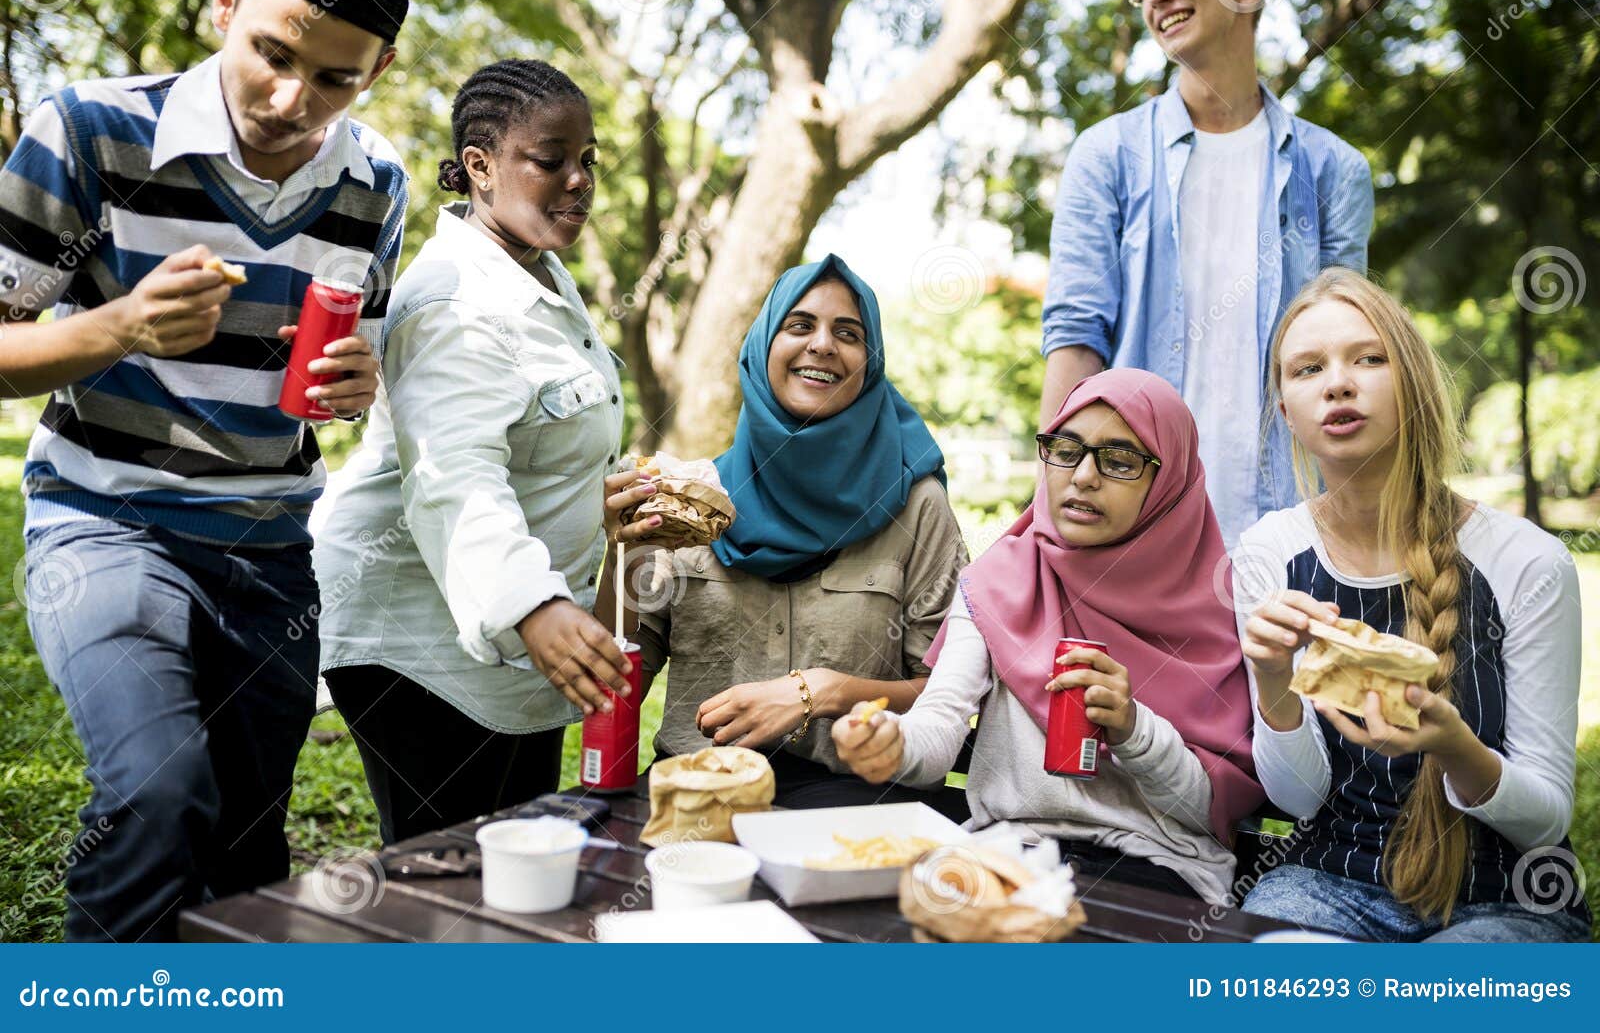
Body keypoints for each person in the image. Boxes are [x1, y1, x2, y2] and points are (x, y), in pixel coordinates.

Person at [0, 0, 421, 940]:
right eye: (272, 52)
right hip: (105, 520)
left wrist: (354, 385)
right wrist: (121, 327)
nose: (291, 98)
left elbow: (337, 366)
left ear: (378, 69)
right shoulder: (91, 132)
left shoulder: (375, 186)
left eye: (335, 76)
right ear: (224, 3)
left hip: (270, 547)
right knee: (154, 789)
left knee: (246, 840)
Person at [315, 60, 661, 844]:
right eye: (551, 159)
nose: (579, 180)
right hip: (421, 648)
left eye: (589, 160)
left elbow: (532, 444)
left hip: (515, 646)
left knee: (519, 861)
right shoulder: (454, 303)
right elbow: (453, 478)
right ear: (479, 165)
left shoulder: (536, 271)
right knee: (452, 877)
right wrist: (533, 607)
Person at [1236, 268, 1590, 942]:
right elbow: (1299, 798)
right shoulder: (1270, 553)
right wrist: (1272, 679)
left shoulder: (1528, 561)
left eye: (1369, 359)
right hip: (1332, 880)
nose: (1338, 382)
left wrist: (1455, 746)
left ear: (1416, 385)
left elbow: (1544, 819)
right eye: (1307, 369)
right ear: (1286, 408)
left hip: (1505, 895)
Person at [834, 369, 1262, 903]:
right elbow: (939, 723)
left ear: (1169, 483)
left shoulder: (1220, 610)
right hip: (1009, 860)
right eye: (1066, 449)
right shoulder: (1000, 581)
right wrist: (891, 743)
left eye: (1120, 459)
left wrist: (1132, 727)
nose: (1083, 475)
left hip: (1158, 872)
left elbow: (1207, 809)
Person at [1041, 0, 1374, 549]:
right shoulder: (1108, 155)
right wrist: (1050, 509)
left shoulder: (1334, 169)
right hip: (1136, 514)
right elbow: (1076, 336)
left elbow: (1347, 351)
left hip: (1294, 521)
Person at [635, 255, 968, 810]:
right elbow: (613, 683)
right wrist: (622, 554)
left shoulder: (916, 505)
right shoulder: (691, 498)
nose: (822, 344)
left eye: (848, 333)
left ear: (871, 361)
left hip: (858, 810)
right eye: (799, 325)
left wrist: (825, 692)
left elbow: (945, 694)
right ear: (762, 345)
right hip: (695, 800)